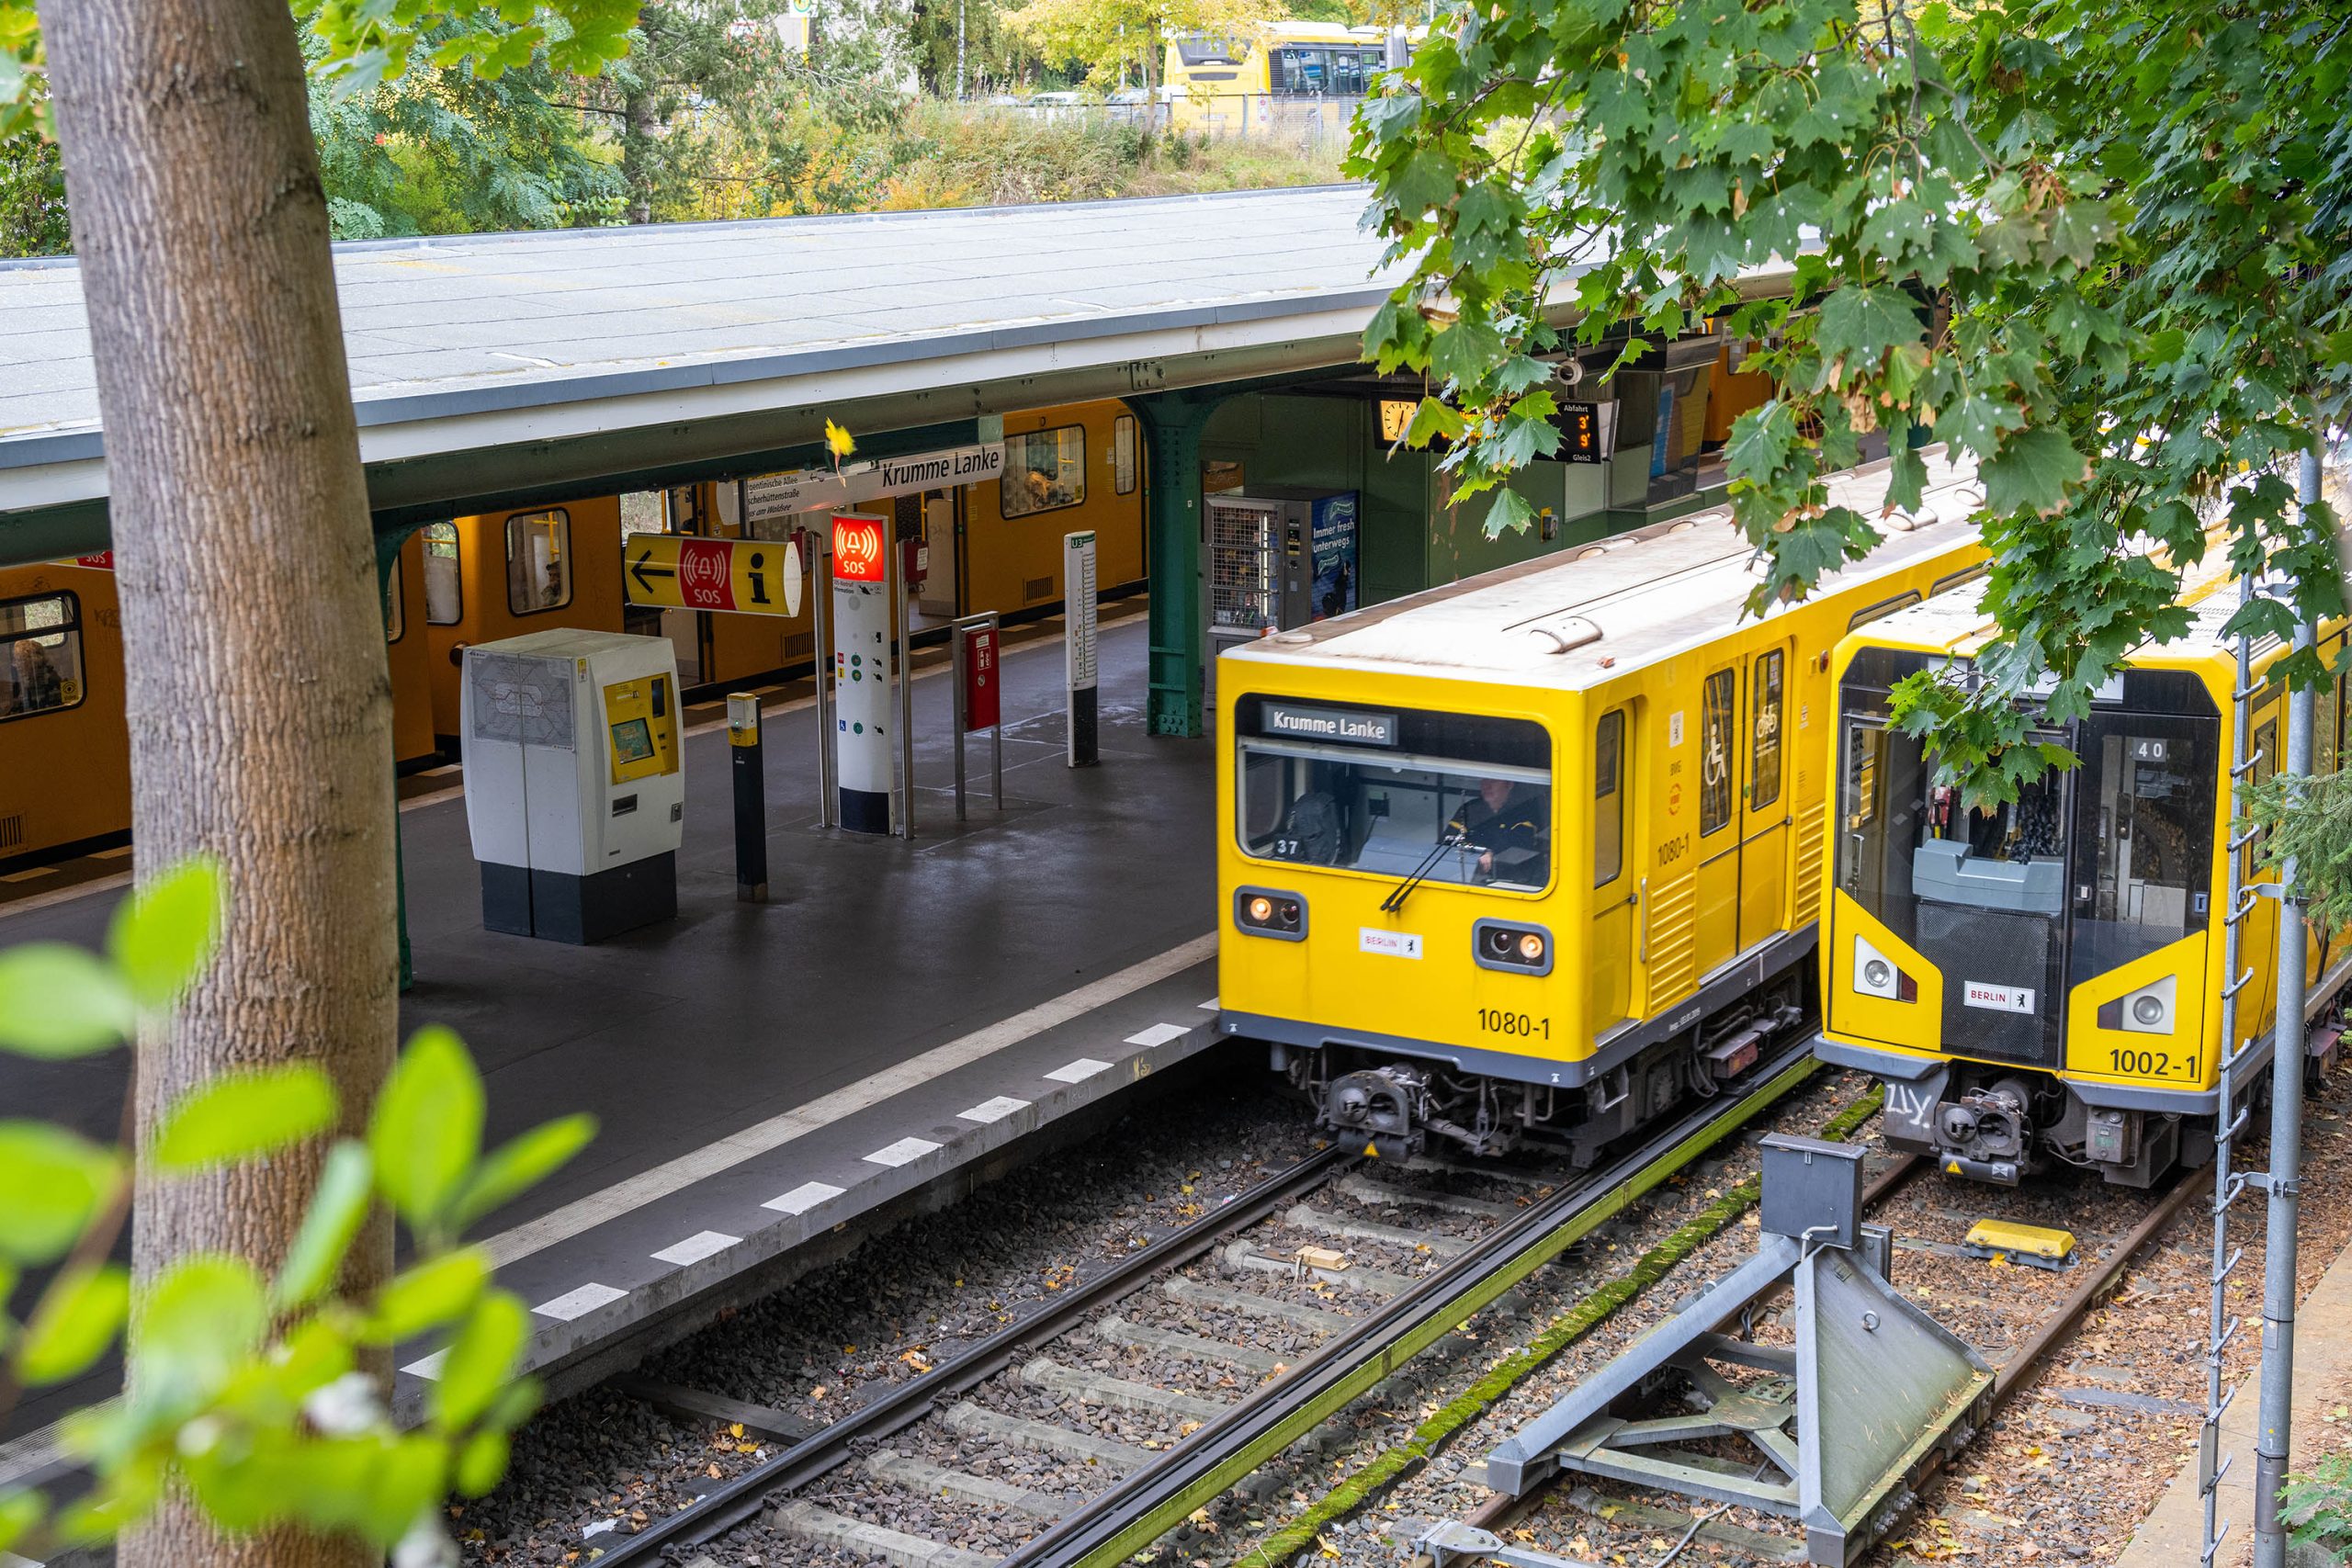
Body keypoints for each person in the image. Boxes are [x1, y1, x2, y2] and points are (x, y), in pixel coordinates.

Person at [1448, 776, 1547, 882]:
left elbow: (1520, 842)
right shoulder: (1470, 809)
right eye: (1484, 780)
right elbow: (1448, 841)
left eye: (1493, 781)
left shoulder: (1525, 809)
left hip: (1518, 881)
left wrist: (1491, 853)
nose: (1487, 785)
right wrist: (1475, 855)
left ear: (1509, 785)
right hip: (1472, 876)